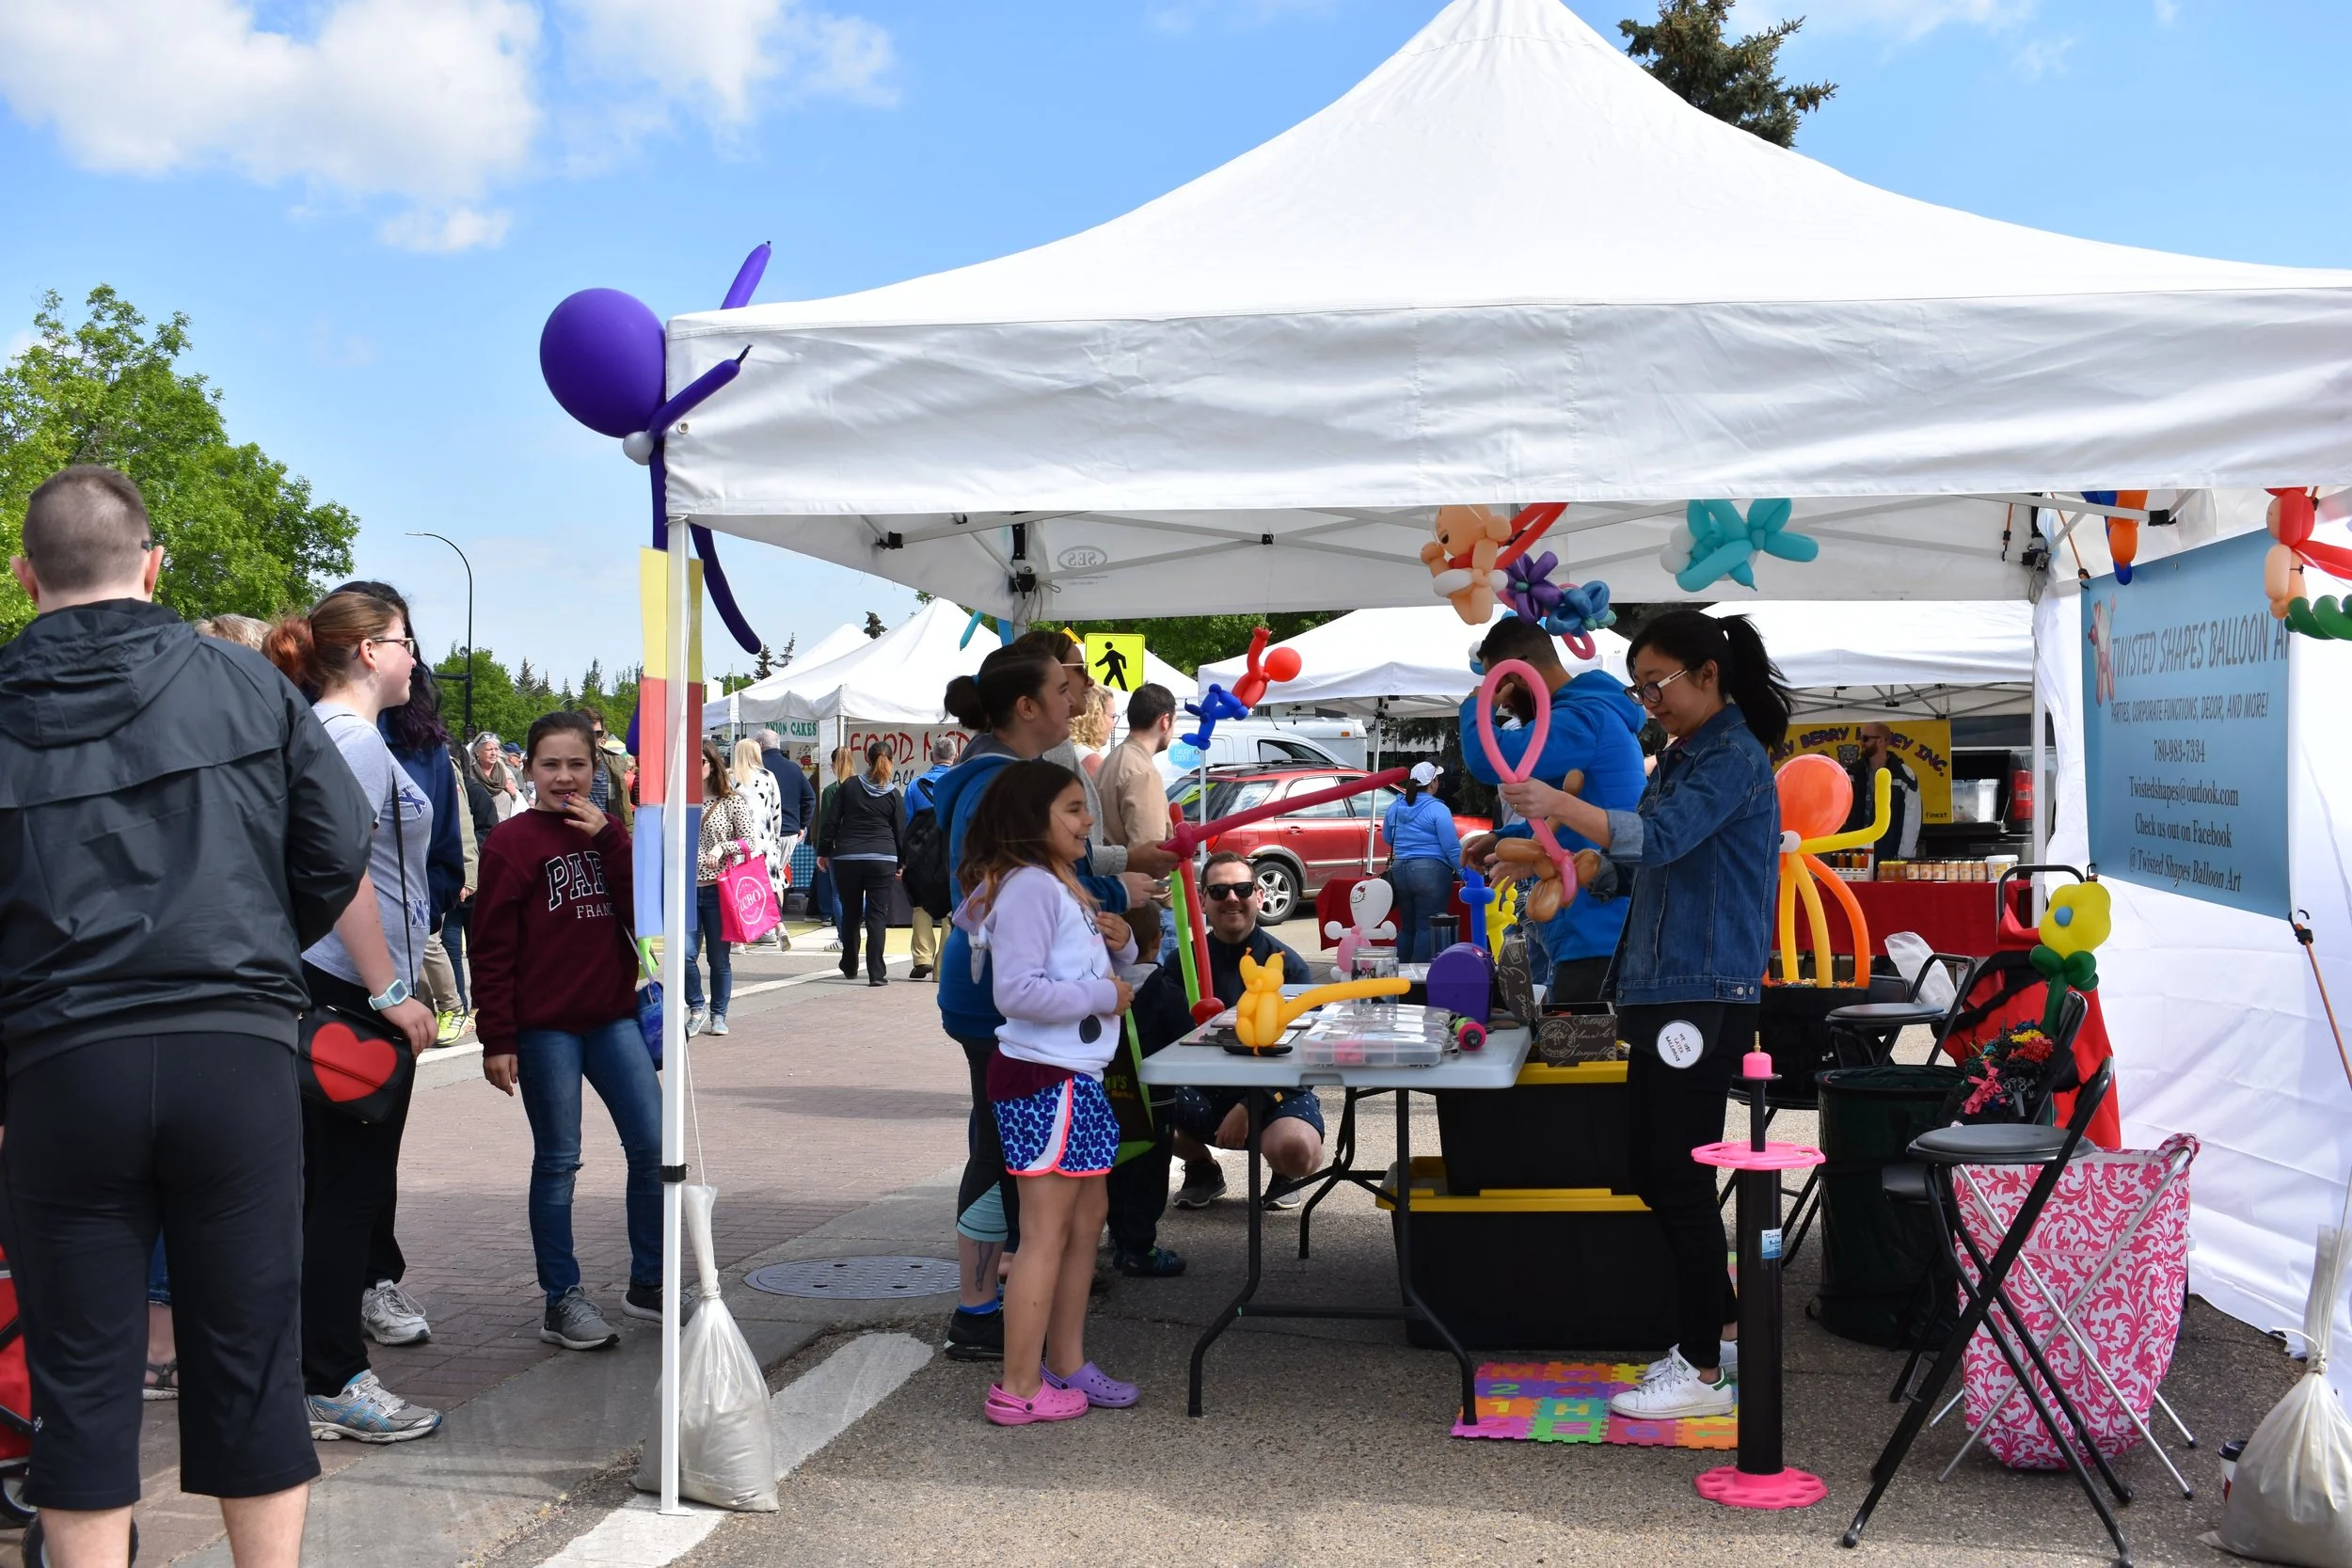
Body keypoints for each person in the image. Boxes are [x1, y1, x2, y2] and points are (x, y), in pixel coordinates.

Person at [0, 466, 372, 1566]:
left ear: (24, 576)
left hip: (63, 1057)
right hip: (232, 1050)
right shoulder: (245, 682)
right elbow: (336, 844)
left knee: (80, 1377)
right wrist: (251, 945)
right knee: (250, 1358)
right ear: (153, 565)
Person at [1492, 609, 1788, 1420]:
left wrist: (1560, 806)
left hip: (1702, 990)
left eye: (1657, 683)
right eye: (1641, 687)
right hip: (1667, 986)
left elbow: (1660, 838)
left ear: (1708, 675)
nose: (1649, 700)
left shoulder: (1732, 756)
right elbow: (1644, 862)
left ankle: (1702, 1367)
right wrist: (1578, 866)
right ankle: (1719, 1331)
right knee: (1656, 1170)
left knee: (1677, 1175)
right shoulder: (1686, 755)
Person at [261, 585, 447, 1443]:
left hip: (339, 989)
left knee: (335, 1194)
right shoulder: (353, 739)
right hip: (347, 997)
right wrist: (390, 992)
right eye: (406, 640)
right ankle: (331, 1377)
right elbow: (343, 875)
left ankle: (318, 1368)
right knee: (346, 1195)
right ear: (371, 650)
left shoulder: (333, 734)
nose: (415, 658)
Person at [932, 644, 1147, 1364]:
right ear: (1026, 706)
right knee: (999, 1156)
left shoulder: (1000, 775)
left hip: (1004, 1004)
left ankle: (1008, 1299)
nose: (1076, 699)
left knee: (1008, 1157)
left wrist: (1111, 917)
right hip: (1001, 1010)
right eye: (1063, 686)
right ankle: (979, 1309)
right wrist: (1114, 898)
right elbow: (1010, 889)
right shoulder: (1003, 784)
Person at [952, 759, 1140, 1424]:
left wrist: (1122, 948)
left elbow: (1080, 970)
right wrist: (1104, 993)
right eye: (1073, 808)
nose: (1088, 820)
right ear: (1033, 820)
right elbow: (1018, 991)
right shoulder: (1032, 885)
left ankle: (1066, 1361)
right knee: (1045, 1233)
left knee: (1085, 1220)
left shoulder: (1055, 882)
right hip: (1047, 1078)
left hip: (1070, 1077)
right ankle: (1019, 1386)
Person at [471, 711, 661, 1350]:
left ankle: (650, 1281)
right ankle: (562, 1299)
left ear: (594, 767)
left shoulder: (610, 834)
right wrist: (498, 1037)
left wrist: (611, 840)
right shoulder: (511, 843)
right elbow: (490, 949)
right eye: (549, 764)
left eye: (576, 763)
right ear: (528, 769)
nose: (564, 776)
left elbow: (644, 915)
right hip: (543, 1028)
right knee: (558, 1160)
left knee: (654, 1145)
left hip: (612, 1018)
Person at [1459, 614, 1647, 1003]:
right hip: (1590, 925)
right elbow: (1570, 818)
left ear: (1519, 672)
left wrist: (1475, 706)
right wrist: (1504, 837)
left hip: (1598, 931)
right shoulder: (1586, 715)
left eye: (1500, 685)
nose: (1502, 703)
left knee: (1577, 1040)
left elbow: (1491, 759)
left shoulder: (1581, 718)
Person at [1129, 852, 1326, 1219]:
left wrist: (1250, 1104)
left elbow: (1307, 1058)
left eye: (1243, 889)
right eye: (1219, 891)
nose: (1232, 898)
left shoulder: (1288, 965)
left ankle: (1283, 1171)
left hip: (1274, 1092)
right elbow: (1159, 1048)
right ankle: (1202, 1166)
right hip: (1203, 1091)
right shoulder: (1180, 963)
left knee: (1297, 1150)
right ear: (1203, 901)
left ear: (1260, 896)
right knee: (1137, 1109)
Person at [1093, 682, 1177, 958]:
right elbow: (1151, 857)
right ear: (1165, 721)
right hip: (1144, 913)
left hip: (1119, 903)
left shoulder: (1115, 759)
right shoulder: (1141, 770)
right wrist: (1173, 900)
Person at [817, 741, 906, 986]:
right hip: (883, 858)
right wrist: (902, 862)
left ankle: (849, 964)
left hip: (848, 857)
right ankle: (876, 973)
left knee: (851, 912)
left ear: (867, 759)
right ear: (891, 761)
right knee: (877, 915)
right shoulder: (893, 793)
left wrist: (824, 851)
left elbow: (831, 821)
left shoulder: (849, 786)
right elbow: (900, 831)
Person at [684, 742, 758, 1037]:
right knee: (684, 956)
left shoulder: (730, 800)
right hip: (686, 890)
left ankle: (718, 1014)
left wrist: (723, 847)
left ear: (713, 765)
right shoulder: (680, 801)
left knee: (718, 959)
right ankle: (696, 1008)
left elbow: (750, 842)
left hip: (719, 889)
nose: (695, 768)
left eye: (700, 761)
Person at [1381, 761, 1463, 963]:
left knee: (1407, 927)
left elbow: (1387, 838)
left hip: (1400, 871)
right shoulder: (1438, 809)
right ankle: (1421, 977)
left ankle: (1399, 974)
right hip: (1431, 872)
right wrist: (1465, 873)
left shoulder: (1395, 806)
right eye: (1437, 779)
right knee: (1427, 927)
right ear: (1433, 783)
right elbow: (1451, 847)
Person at [904, 736, 960, 979]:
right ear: (955, 756)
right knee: (951, 909)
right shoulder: (960, 784)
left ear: (931, 756)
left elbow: (907, 823)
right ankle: (942, 968)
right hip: (953, 853)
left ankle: (922, 957)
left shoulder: (915, 786)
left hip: (921, 854)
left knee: (920, 904)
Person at [755, 728, 814, 947]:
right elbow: (809, 798)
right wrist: (802, 824)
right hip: (789, 831)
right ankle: (773, 925)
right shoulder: (793, 768)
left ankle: (768, 927)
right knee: (776, 877)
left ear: (760, 745)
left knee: (762, 879)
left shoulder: (756, 768)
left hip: (762, 832)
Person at [730, 737, 786, 948]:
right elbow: (776, 811)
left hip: (738, 842)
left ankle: (739, 940)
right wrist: (774, 837)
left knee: (739, 888)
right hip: (765, 840)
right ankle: (775, 928)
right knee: (772, 884)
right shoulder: (768, 776)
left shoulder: (730, 776)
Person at [1846, 721, 1922, 860]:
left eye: (1865, 738)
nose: (1861, 743)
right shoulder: (1851, 773)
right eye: (1860, 738)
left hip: (1888, 857)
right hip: (1853, 856)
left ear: (1880, 740)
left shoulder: (1904, 775)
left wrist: (1903, 858)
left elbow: (1912, 818)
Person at [815, 745, 856, 948]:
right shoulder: (861, 786)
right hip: (859, 845)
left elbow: (826, 824)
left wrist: (822, 851)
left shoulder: (831, 790)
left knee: (838, 893)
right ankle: (854, 933)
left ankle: (843, 937)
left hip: (837, 847)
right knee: (857, 893)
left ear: (833, 765)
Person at [580, 705, 634, 831]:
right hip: (573, 833)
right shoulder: (562, 764)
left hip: (606, 833)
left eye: (597, 733)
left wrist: (628, 836)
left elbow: (624, 811)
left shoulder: (614, 764)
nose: (593, 738)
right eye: (587, 733)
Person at [472, 731, 524, 820]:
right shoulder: (470, 774)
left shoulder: (505, 773)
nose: (494, 753)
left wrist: (514, 794)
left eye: (496, 749)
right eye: (489, 749)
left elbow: (518, 801)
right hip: (481, 825)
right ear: (477, 752)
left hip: (505, 824)